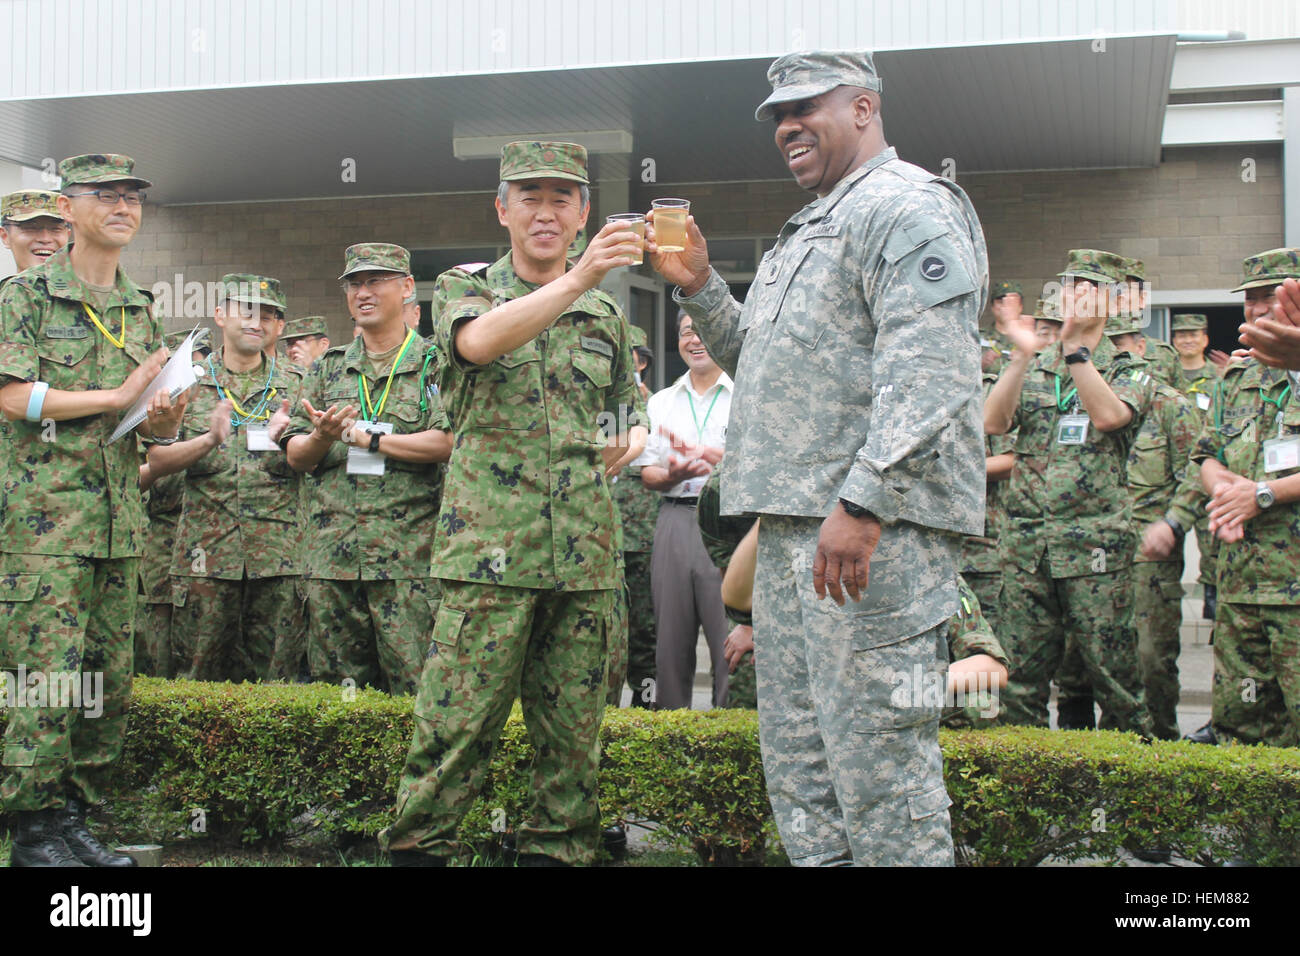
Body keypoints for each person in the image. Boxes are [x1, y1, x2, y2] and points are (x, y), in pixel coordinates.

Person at [650, 51, 988, 866]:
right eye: (777, 115)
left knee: (883, 780)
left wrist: (865, 503)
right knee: (803, 780)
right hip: (797, 537)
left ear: (865, 107)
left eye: (807, 107)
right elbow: (762, 367)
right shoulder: (810, 226)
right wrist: (701, 287)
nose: (787, 126)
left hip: (870, 540)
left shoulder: (907, 205)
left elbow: (934, 368)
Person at [382, 142, 646, 866]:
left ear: (584, 212)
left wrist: (633, 432)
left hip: (585, 563)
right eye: (529, 195)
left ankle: (555, 853)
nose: (546, 210)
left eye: (563, 197)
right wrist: (583, 275)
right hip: (489, 561)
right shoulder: (466, 290)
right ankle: (419, 850)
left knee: (573, 746)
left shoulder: (605, 317)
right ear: (501, 209)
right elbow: (475, 346)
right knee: (454, 731)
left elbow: (626, 407)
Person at [0, 153, 186, 866]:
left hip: (117, 528)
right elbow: (15, 398)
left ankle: (76, 816)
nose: (123, 206)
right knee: (43, 678)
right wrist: (113, 398)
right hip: (44, 531)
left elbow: (148, 428)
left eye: (133, 197)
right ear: (69, 209)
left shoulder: (140, 308)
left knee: (104, 682)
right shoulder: (23, 298)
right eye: (105, 195)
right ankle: (33, 830)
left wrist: (164, 415)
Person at [985, 249, 1155, 737]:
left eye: (1087, 286)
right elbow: (992, 422)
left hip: (1095, 554)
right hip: (1027, 551)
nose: (1074, 295)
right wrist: (1022, 356)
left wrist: (1078, 350)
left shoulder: (1129, 369)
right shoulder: (1037, 366)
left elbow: (1109, 417)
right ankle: (1028, 794)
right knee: (1017, 684)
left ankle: (1130, 801)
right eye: (1068, 284)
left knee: (1115, 683)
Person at [282, 244, 452, 695]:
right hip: (333, 561)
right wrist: (322, 436)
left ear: (408, 288)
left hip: (408, 563)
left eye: (376, 281)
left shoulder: (436, 364)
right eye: (355, 283)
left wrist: (370, 438)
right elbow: (297, 456)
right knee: (339, 696)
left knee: (415, 691)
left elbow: (447, 441)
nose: (363, 292)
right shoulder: (329, 367)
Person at [147, 274, 306, 681]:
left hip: (279, 560)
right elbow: (149, 464)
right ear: (220, 314)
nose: (258, 322)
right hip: (203, 559)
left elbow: (315, 462)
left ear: (281, 326)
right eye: (247, 311)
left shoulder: (300, 384)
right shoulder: (184, 382)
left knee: (278, 682)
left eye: (270, 315)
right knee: (195, 680)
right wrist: (207, 440)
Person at [1179, 249, 1300, 746]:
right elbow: (1205, 454)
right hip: (1241, 585)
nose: (1259, 309)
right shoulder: (1236, 378)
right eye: (1250, 299)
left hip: (1295, 590)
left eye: (1274, 297)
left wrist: (1264, 495)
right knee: (1240, 729)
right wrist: (1225, 490)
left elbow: (1262, 489)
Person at [1107, 315, 1201, 740]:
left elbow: (1196, 474)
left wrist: (1173, 523)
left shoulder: (1171, 406)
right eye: (1105, 345)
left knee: (1151, 658)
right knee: (1105, 660)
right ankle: (1112, 748)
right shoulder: (1088, 403)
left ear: (1141, 347)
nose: (1115, 354)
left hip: (1149, 554)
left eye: (1122, 344)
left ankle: (1161, 744)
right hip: (1099, 553)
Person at [634, 310, 733, 709]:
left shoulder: (746, 396)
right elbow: (648, 474)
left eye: (704, 329)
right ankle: (669, 736)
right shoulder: (661, 403)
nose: (695, 339)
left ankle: (732, 733)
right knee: (669, 643)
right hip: (674, 518)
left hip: (728, 527)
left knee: (729, 640)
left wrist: (722, 460)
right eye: (687, 331)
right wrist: (671, 474)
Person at [609, 324, 658, 707]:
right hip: (593, 541)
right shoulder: (586, 406)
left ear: (640, 362)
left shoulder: (658, 408)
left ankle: (645, 714)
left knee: (645, 639)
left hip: (642, 541)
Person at [1, 190, 69, 283]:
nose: (45, 239)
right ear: (5, 236)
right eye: (30, 228)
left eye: (55, 229)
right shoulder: (7, 294)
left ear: (68, 235)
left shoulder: (87, 294)